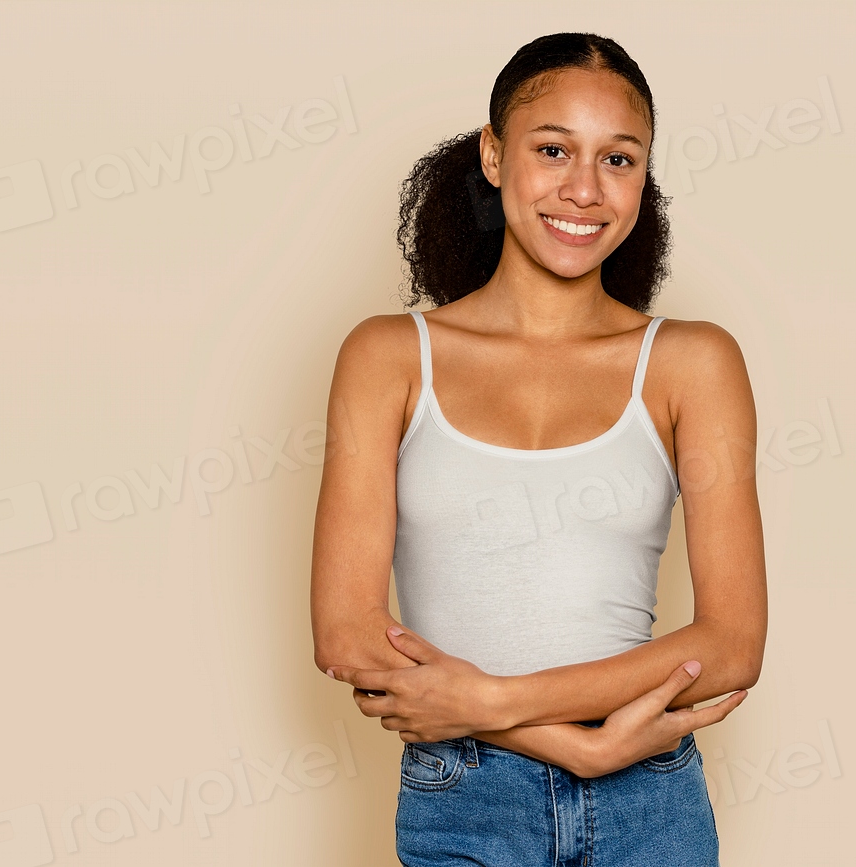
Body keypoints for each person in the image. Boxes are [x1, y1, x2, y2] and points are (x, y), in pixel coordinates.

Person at [310, 31, 767, 867]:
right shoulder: (386, 357)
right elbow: (347, 636)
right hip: (467, 794)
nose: (584, 189)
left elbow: (733, 643)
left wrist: (491, 698)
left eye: (619, 160)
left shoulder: (693, 363)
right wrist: (574, 745)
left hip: (650, 798)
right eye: (552, 149)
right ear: (492, 155)